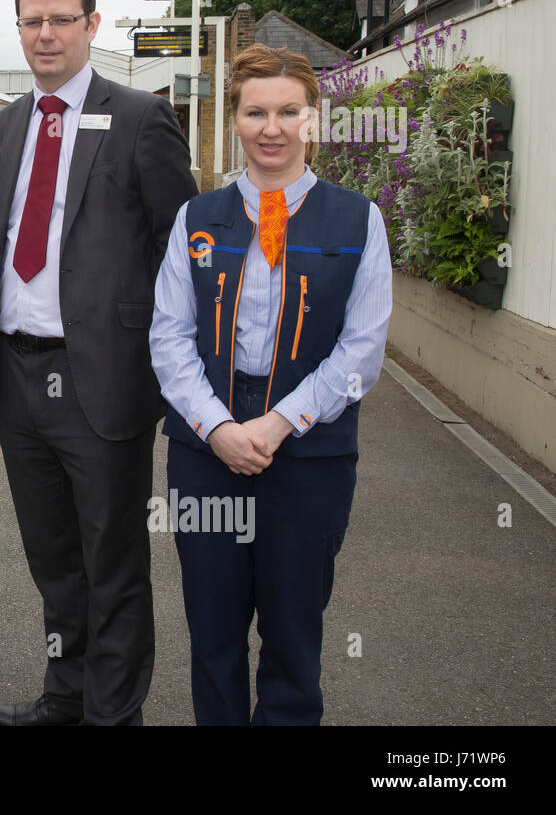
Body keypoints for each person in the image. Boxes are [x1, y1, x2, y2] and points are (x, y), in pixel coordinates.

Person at [0, 0, 198, 726]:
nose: (46, 34)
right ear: (20, 30)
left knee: (113, 563)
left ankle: (113, 715)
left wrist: (173, 368)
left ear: (92, 26)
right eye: (33, 21)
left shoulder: (139, 116)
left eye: (62, 19)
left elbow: (184, 247)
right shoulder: (6, 125)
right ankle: (66, 696)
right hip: (17, 373)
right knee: (54, 562)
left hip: (100, 379)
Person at [150, 44, 392, 724]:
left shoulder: (359, 221)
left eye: (289, 111)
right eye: (256, 111)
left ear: (313, 118)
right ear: (235, 118)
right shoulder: (196, 219)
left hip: (309, 452)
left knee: (292, 633)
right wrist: (218, 426)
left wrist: (279, 420)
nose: (272, 127)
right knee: (214, 630)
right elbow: (169, 337)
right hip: (207, 449)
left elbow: (362, 350)